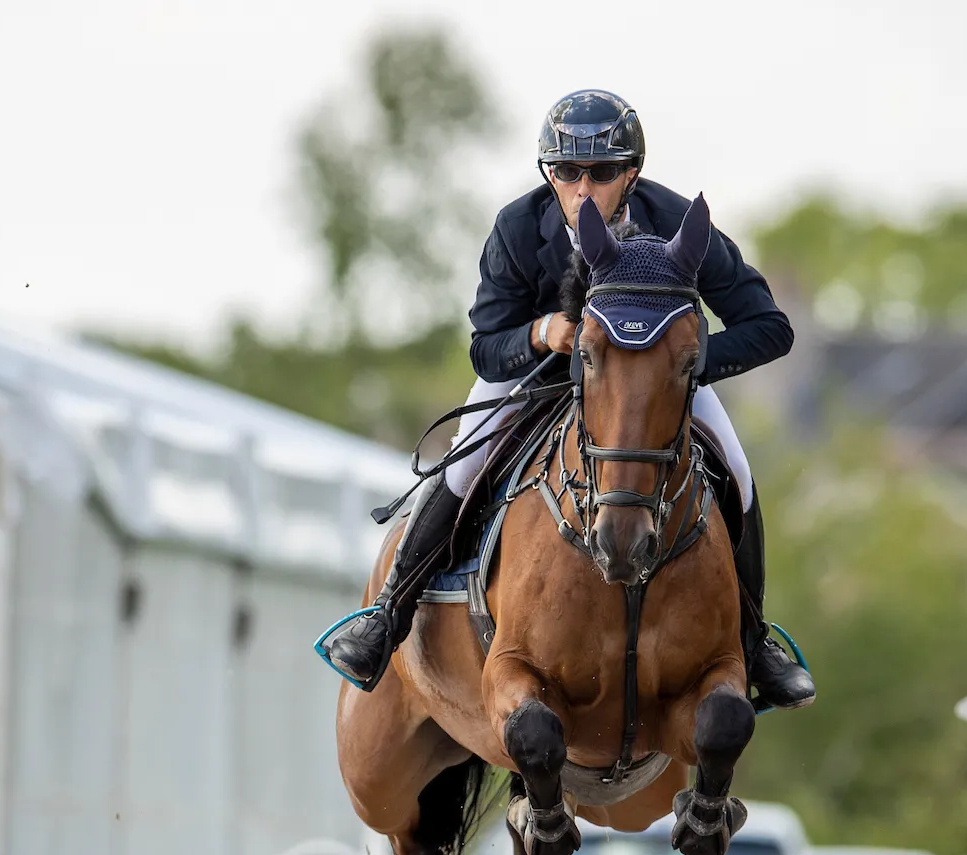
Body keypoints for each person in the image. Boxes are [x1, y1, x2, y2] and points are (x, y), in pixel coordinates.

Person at [321, 89, 815, 711]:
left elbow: (770, 326)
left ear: (631, 173)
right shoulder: (517, 228)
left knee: (736, 471)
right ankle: (389, 612)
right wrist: (539, 333)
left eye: (602, 173)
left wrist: (670, 370)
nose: (584, 189)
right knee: (463, 463)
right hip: (540, 377)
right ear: (548, 173)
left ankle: (754, 639)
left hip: (647, 391)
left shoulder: (678, 222)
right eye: (567, 172)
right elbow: (485, 348)